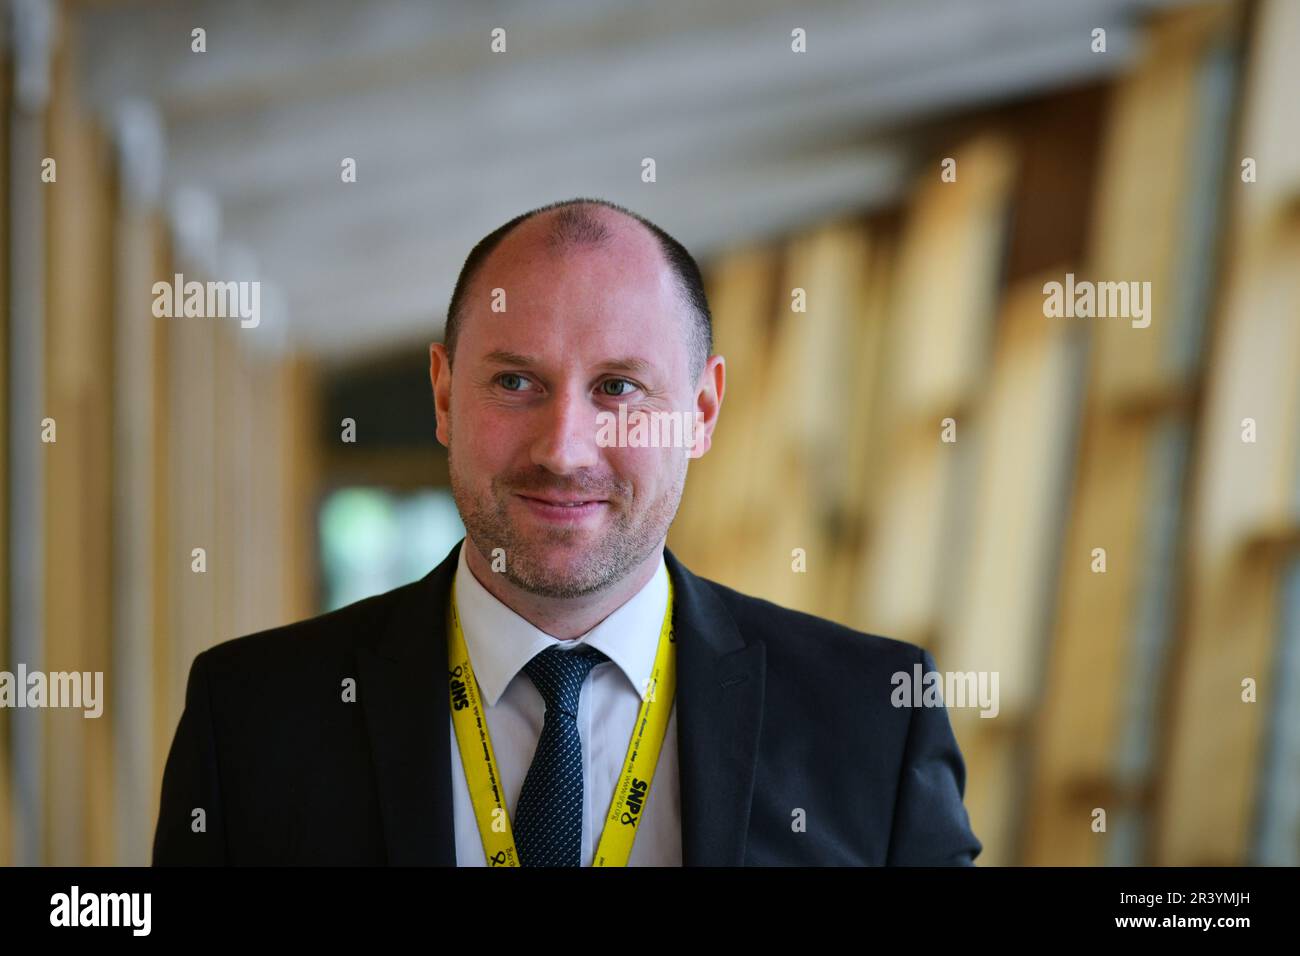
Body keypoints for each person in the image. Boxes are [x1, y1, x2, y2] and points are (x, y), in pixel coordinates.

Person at [153, 197, 982, 866]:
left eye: (619, 388)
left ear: (700, 412)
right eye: (516, 381)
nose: (563, 448)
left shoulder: (872, 720)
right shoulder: (253, 720)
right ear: (444, 397)